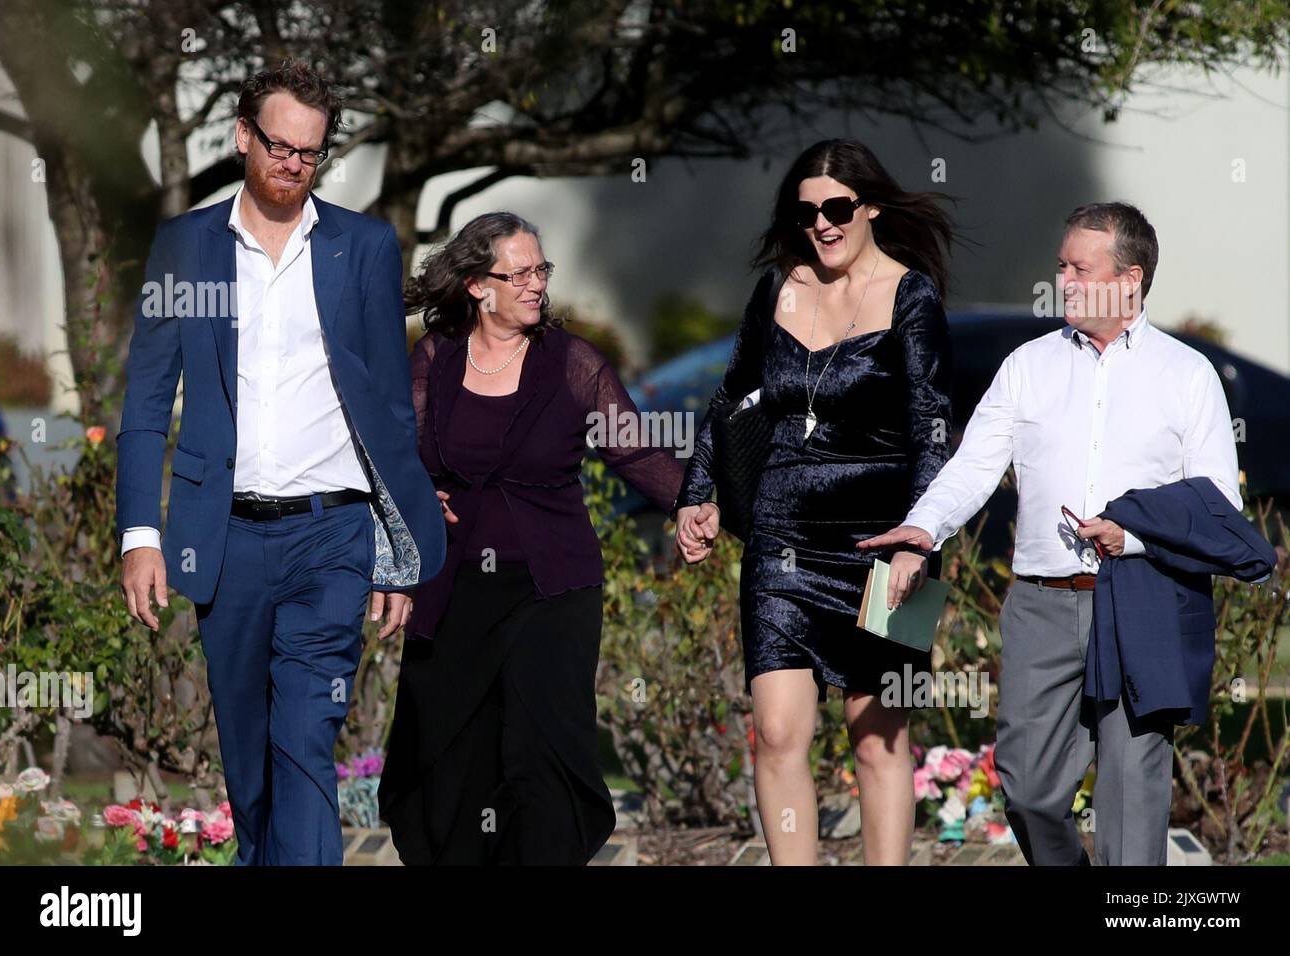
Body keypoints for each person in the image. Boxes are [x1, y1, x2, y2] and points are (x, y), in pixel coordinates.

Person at [116, 61, 446, 865]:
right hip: (221, 540)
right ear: (241, 137)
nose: (293, 163)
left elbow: (392, 412)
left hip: (330, 537)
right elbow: (148, 403)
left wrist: (393, 556)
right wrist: (139, 535)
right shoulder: (186, 247)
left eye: (310, 151)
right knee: (251, 767)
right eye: (278, 145)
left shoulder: (361, 248)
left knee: (304, 738)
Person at [862, 201, 1241, 865]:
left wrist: (1138, 538)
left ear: (1130, 279)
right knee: (1030, 789)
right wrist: (922, 528)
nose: (1063, 280)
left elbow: (1218, 507)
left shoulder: (1187, 376)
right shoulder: (1027, 366)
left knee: (1131, 796)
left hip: (1144, 597)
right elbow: (972, 467)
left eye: (1080, 268)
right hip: (1041, 602)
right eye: (1060, 265)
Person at [675, 139, 956, 865]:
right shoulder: (780, 287)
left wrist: (917, 538)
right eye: (808, 213)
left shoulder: (911, 295)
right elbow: (733, 393)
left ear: (870, 207)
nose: (823, 225)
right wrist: (695, 492)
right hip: (781, 534)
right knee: (775, 733)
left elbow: (933, 427)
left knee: (879, 739)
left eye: (837, 208)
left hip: (883, 543)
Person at [377, 212, 686, 865]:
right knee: (450, 765)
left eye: (541, 269)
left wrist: (698, 502)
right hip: (451, 592)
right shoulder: (434, 359)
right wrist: (411, 498)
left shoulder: (571, 363)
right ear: (475, 286)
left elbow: (633, 453)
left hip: (551, 590)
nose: (536, 284)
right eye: (518, 272)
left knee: (539, 761)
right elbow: (395, 454)